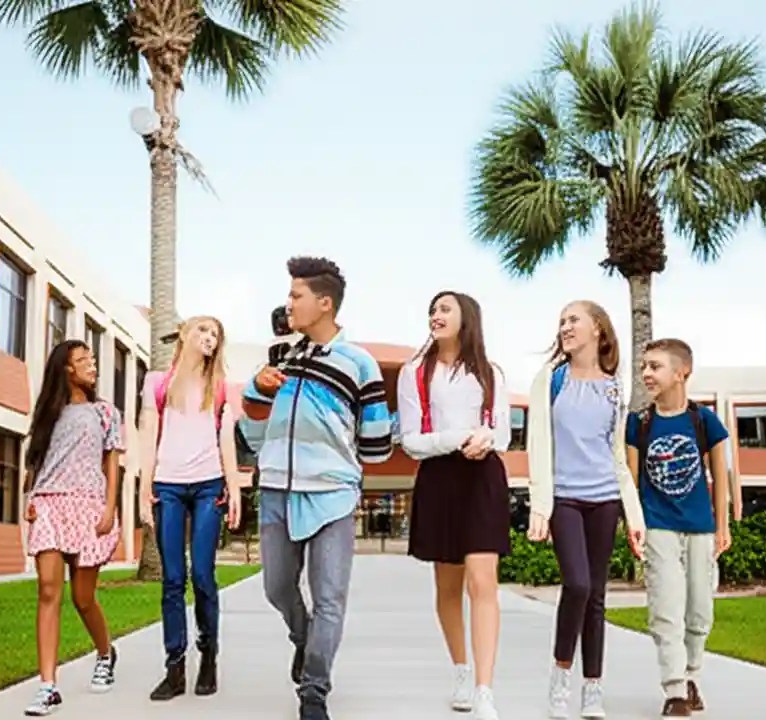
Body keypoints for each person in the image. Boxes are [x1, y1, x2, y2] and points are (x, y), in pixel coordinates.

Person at [238, 256, 393, 720]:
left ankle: (314, 692)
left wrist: (340, 456)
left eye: (296, 295)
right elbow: (252, 419)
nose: (288, 304)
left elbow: (378, 444)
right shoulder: (283, 355)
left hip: (331, 494)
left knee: (329, 598)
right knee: (277, 588)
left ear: (324, 303)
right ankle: (303, 641)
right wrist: (258, 385)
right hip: (276, 491)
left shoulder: (360, 363)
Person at [525, 300, 646, 719]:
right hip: (564, 498)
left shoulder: (615, 388)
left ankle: (592, 688)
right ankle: (561, 675)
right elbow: (537, 446)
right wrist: (539, 506)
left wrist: (634, 516)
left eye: (573, 319)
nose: (565, 326)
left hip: (605, 498)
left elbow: (616, 456)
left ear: (598, 328)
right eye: (561, 321)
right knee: (576, 585)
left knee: (596, 595)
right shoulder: (550, 380)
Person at [396, 290, 511, 720]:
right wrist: (458, 438)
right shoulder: (414, 373)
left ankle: (485, 688)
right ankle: (461, 669)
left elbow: (501, 432)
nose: (436, 315)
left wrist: (484, 438)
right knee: (448, 586)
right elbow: (411, 439)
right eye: (432, 309)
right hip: (439, 476)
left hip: (483, 478)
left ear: (467, 316)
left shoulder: (492, 372)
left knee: (483, 581)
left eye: (445, 308)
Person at [138, 316, 243, 701]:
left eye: (215, 334)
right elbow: (148, 436)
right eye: (202, 329)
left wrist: (233, 488)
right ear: (184, 333)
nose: (209, 337)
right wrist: (143, 488)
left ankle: (209, 655)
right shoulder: (156, 383)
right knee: (171, 580)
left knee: (202, 574)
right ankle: (174, 667)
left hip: (207, 485)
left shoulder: (220, 388)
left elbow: (226, 439)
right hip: (167, 485)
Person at [625, 338, 732, 718]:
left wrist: (724, 526)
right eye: (644, 367)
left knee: (700, 610)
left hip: (701, 528)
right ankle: (674, 689)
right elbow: (632, 482)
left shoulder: (704, 421)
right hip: (658, 527)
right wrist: (633, 526)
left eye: (655, 366)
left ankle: (691, 677)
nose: (646, 374)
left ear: (681, 372)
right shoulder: (639, 424)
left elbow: (721, 478)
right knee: (666, 609)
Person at [20, 339, 125, 717]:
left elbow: (113, 465)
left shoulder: (105, 413)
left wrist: (110, 508)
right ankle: (48, 686)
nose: (92, 365)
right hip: (48, 503)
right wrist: (29, 500)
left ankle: (105, 653)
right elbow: (34, 464)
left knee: (83, 597)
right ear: (66, 369)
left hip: (88, 504)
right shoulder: (48, 414)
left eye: (91, 359)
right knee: (48, 591)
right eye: (84, 360)